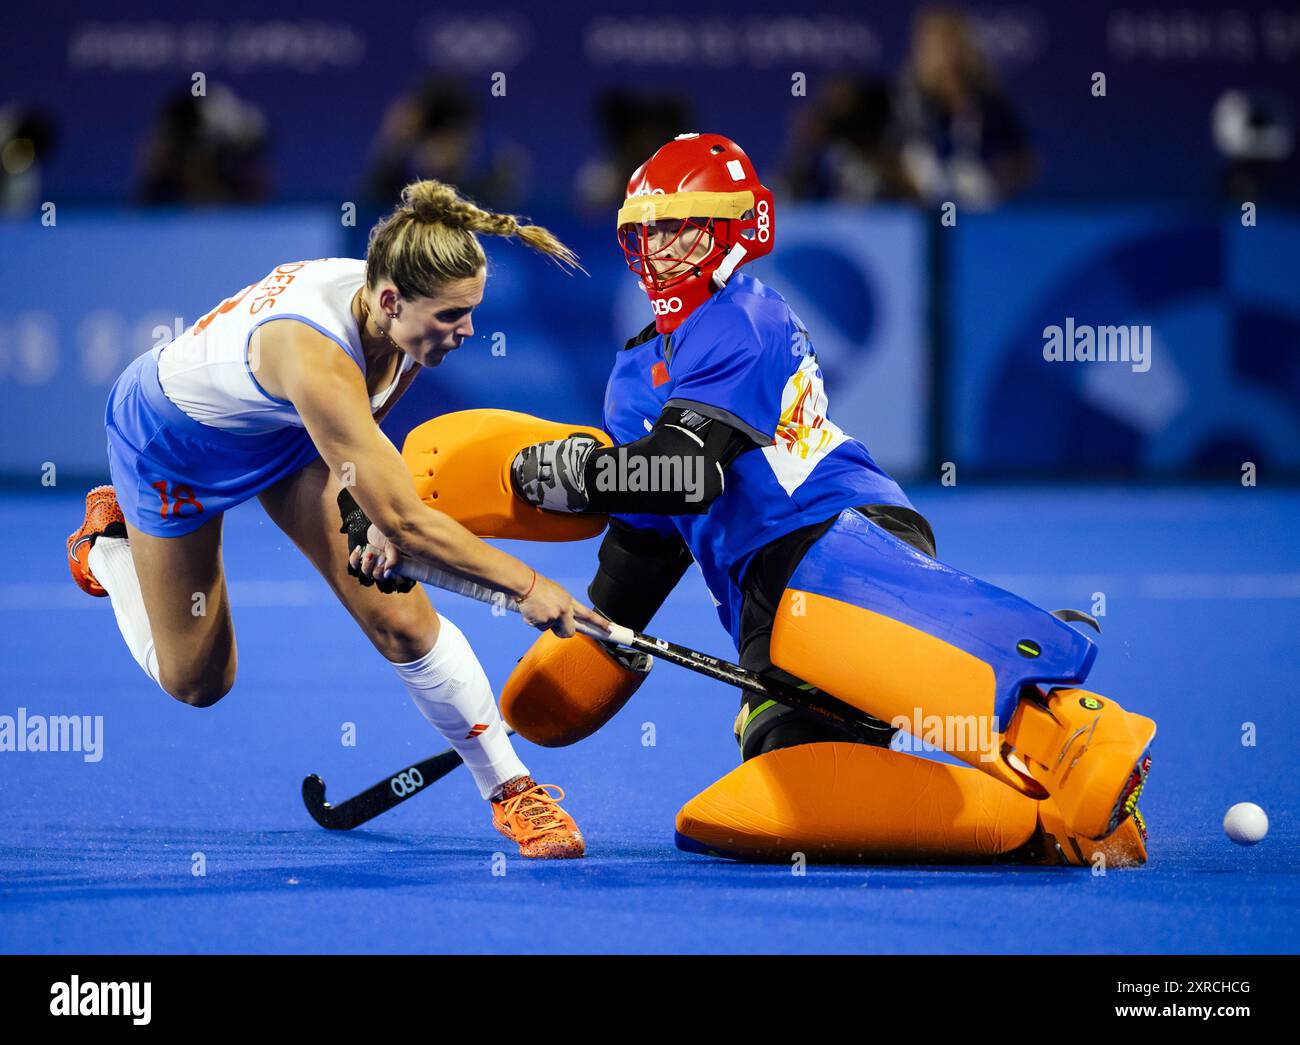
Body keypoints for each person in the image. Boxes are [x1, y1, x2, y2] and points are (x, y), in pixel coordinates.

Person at [459, 132, 1152, 863]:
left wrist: (578, 473)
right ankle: (1034, 828)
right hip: (763, 605)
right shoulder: (631, 381)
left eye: (682, 229)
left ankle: (1071, 728)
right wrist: (586, 645)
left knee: (892, 662)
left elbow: (688, 472)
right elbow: (643, 551)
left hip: (831, 537)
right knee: (794, 778)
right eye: (646, 232)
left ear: (737, 231)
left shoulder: (745, 318)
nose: (661, 251)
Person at [65, 180, 607, 859]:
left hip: (289, 434)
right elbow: (409, 523)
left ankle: (512, 791)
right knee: (199, 681)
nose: (467, 330)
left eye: (470, 312)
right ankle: (111, 547)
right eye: (453, 316)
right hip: (172, 446)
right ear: (390, 302)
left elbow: (374, 449)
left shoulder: (401, 309)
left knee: (402, 619)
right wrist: (527, 586)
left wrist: (373, 515)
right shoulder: (318, 356)